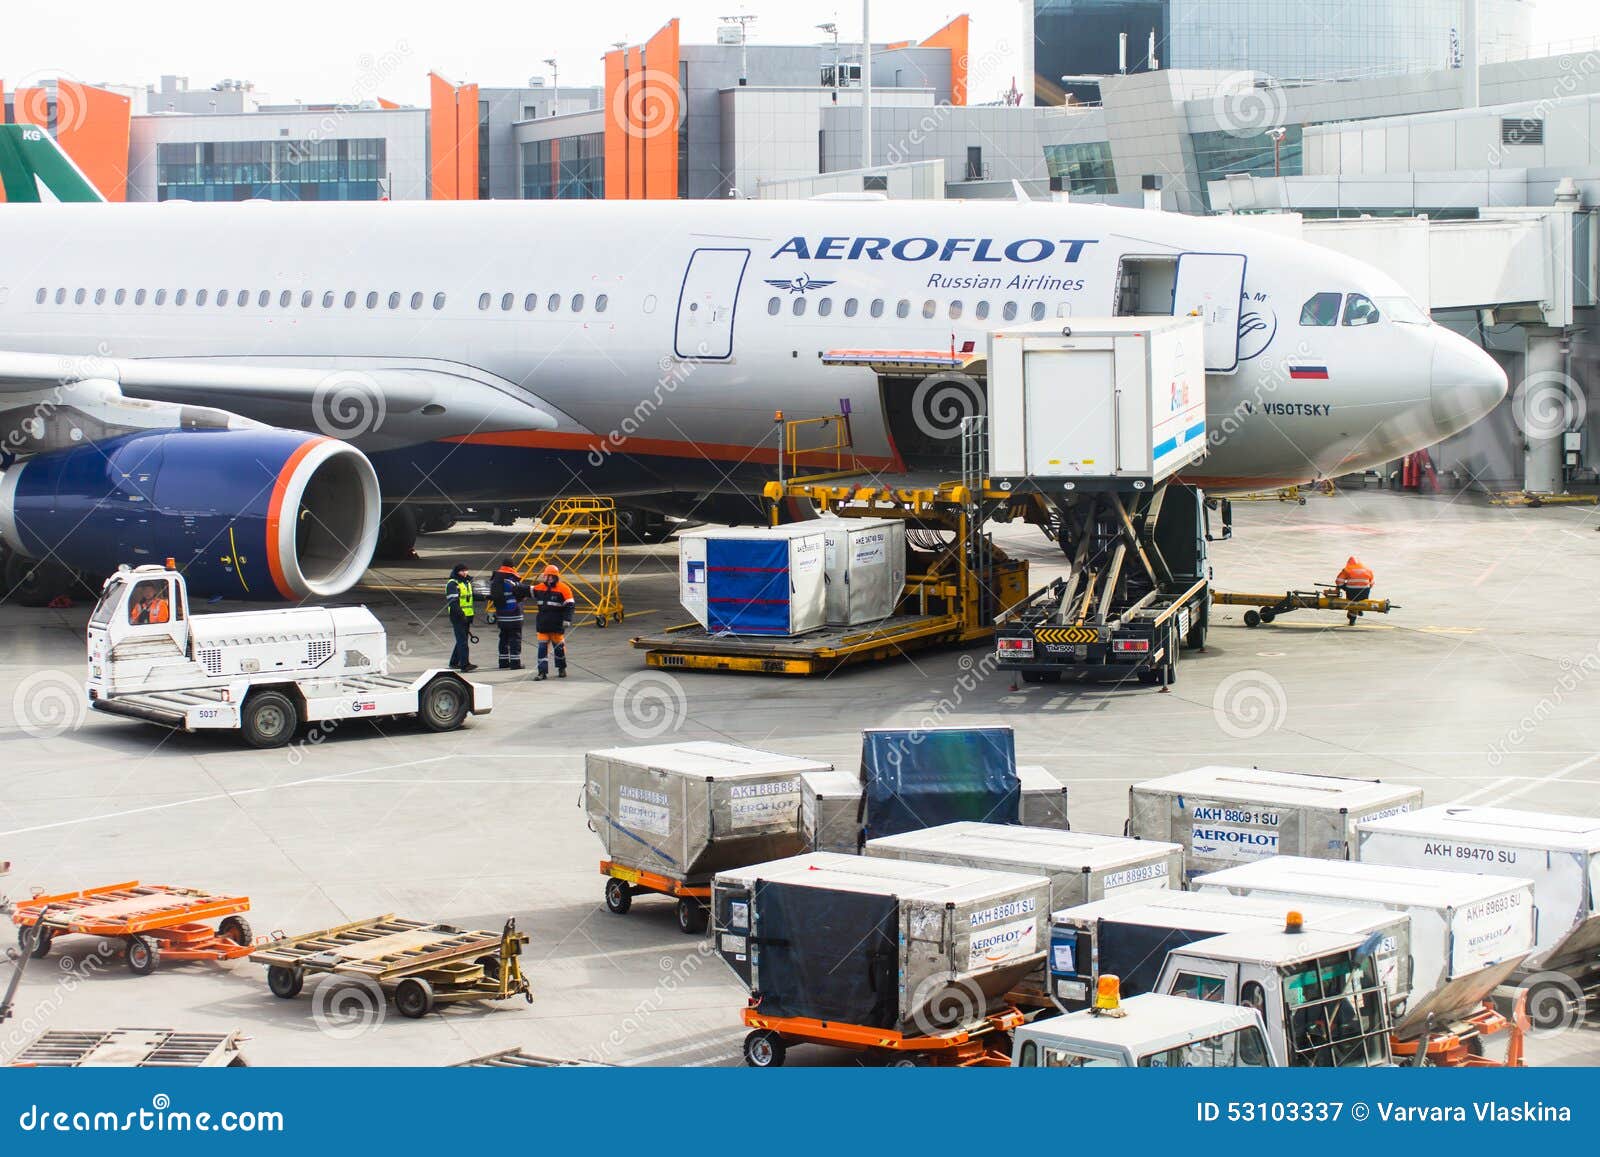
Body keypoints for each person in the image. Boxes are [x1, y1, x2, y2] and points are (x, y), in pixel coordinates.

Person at [530, 564, 576, 680]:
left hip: (557, 626)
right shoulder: (540, 588)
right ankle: (542, 672)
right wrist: (515, 585)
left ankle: (561, 668)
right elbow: (527, 590)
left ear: (555, 577)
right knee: (542, 649)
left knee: (559, 650)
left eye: (551, 576)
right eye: (547, 576)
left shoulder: (564, 589)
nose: (548, 578)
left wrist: (567, 619)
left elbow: (570, 605)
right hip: (543, 625)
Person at [489, 560, 530, 670]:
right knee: (515, 639)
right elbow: (522, 593)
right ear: (512, 566)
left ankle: (503, 662)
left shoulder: (495, 580)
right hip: (514, 615)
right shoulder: (511, 579)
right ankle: (515, 663)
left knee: (503, 638)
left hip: (501, 615)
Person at [445, 563, 478, 672]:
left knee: (461, 639)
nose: (465, 573)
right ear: (457, 572)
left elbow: (471, 596)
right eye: (462, 571)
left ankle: (454, 662)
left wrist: (486, 597)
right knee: (462, 641)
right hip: (458, 616)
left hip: (467, 615)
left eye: (466, 570)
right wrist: (461, 615)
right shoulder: (452, 584)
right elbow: (453, 603)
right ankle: (465, 665)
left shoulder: (467, 582)